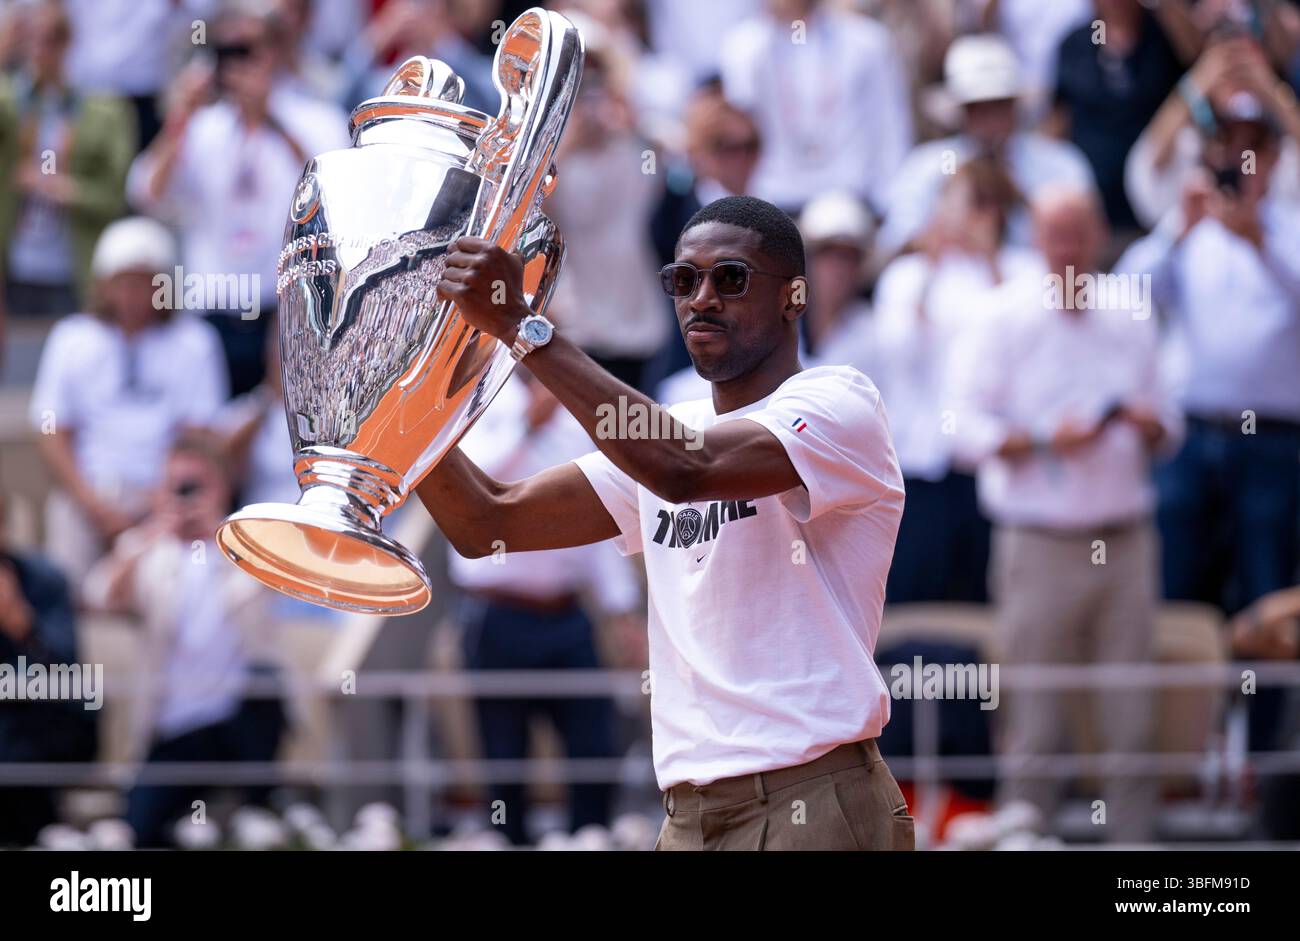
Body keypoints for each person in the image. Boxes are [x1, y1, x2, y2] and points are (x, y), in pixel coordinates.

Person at [418, 196, 912, 851]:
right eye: (683, 280)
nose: (701, 297)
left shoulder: (839, 402)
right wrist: (399, 402)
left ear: (795, 295)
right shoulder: (671, 429)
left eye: (730, 278)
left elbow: (689, 469)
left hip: (810, 799)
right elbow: (486, 523)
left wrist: (522, 325)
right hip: (687, 816)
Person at [951, 187, 1181, 842]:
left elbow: (1172, 420)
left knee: (1132, 713)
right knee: (1033, 713)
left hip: (1125, 533)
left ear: (1100, 233)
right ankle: (1027, 837)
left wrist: (1148, 424)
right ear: (1037, 238)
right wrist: (1050, 438)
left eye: (1080, 232)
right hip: (1037, 538)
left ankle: (1135, 856)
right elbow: (963, 429)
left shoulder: (1130, 314)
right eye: (1057, 233)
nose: (1070, 248)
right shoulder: (1002, 315)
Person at [1116, 86, 1300, 760]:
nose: (1240, 160)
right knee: (1176, 593)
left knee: (1269, 600)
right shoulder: (1185, 228)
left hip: (1276, 444)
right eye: (1228, 146)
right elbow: (1124, 299)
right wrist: (1174, 231)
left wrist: (1261, 243)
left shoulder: (1291, 226)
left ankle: (1260, 765)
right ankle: (1178, 758)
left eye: (1254, 147)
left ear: (1276, 157)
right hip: (1193, 440)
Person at [450, 371, 641, 845]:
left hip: (566, 612)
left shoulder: (575, 424)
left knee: (593, 742)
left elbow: (599, 521)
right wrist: (527, 426)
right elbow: (471, 494)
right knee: (503, 750)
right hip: (497, 615)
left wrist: (621, 613)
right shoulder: (472, 408)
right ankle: (507, 839)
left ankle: (591, 836)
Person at [83, 431, 295, 848]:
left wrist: (217, 529)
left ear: (222, 487)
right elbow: (98, 595)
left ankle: (260, 807)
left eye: (195, 486)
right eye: (177, 487)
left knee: (265, 688)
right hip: (174, 730)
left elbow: (288, 576)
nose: (186, 496)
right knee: (139, 826)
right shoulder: (148, 551)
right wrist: (156, 529)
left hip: (240, 723)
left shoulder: (245, 545)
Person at [127, 8, 349, 397]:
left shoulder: (317, 120)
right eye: (227, 50)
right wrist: (179, 117)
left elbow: (336, 201)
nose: (237, 62)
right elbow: (146, 193)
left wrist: (271, 121)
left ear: (278, 51)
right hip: (211, 312)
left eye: (247, 49)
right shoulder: (202, 126)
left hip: (288, 315)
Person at [868, 158, 1041, 604]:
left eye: (983, 204)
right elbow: (899, 349)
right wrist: (928, 266)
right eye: (963, 202)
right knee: (919, 595)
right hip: (924, 460)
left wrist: (989, 261)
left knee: (987, 594)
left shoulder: (1023, 271)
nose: (970, 216)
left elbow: (1024, 341)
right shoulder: (906, 276)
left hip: (996, 459)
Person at [28, 216, 227, 590]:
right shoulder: (72, 339)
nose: (134, 293)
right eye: (124, 281)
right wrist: (93, 503)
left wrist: (160, 506)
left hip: (163, 501)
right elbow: (51, 430)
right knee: (63, 570)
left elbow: (199, 437)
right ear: (104, 285)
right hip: (86, 494)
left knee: (173, 583)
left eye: (145, 281)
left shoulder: (195, 343)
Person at [879, 33, 1096, 258]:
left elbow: (1086, 236)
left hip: (1040, 282)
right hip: (953, 282)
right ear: (961, 113)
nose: (990, 120)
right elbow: (898, 238)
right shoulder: (929, 166)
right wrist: (952, 227)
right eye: (977, 108)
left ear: (1014, 107)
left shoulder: (1058, 163)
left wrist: (1021, 199)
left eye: (998, 105)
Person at [0, 0, 135, 319]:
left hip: (74, 268)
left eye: (48, 39)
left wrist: (66, 190)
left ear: (66, 44)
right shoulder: (11, 103)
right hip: (15, 263)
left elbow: (116, 196)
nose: (37, 50)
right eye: (30, 38)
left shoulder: (102, 111)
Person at [720, 0, 912, 214]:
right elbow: (738, 125)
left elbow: (890, 131)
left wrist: (888, 208)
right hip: (774, 200)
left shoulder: (866, 41)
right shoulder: (745, 45)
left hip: (851, 203)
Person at [0, 491, 93, 847]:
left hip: (43, 724)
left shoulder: (43, 579)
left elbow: (67, 674)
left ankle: (43, 833)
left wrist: (22, 626)